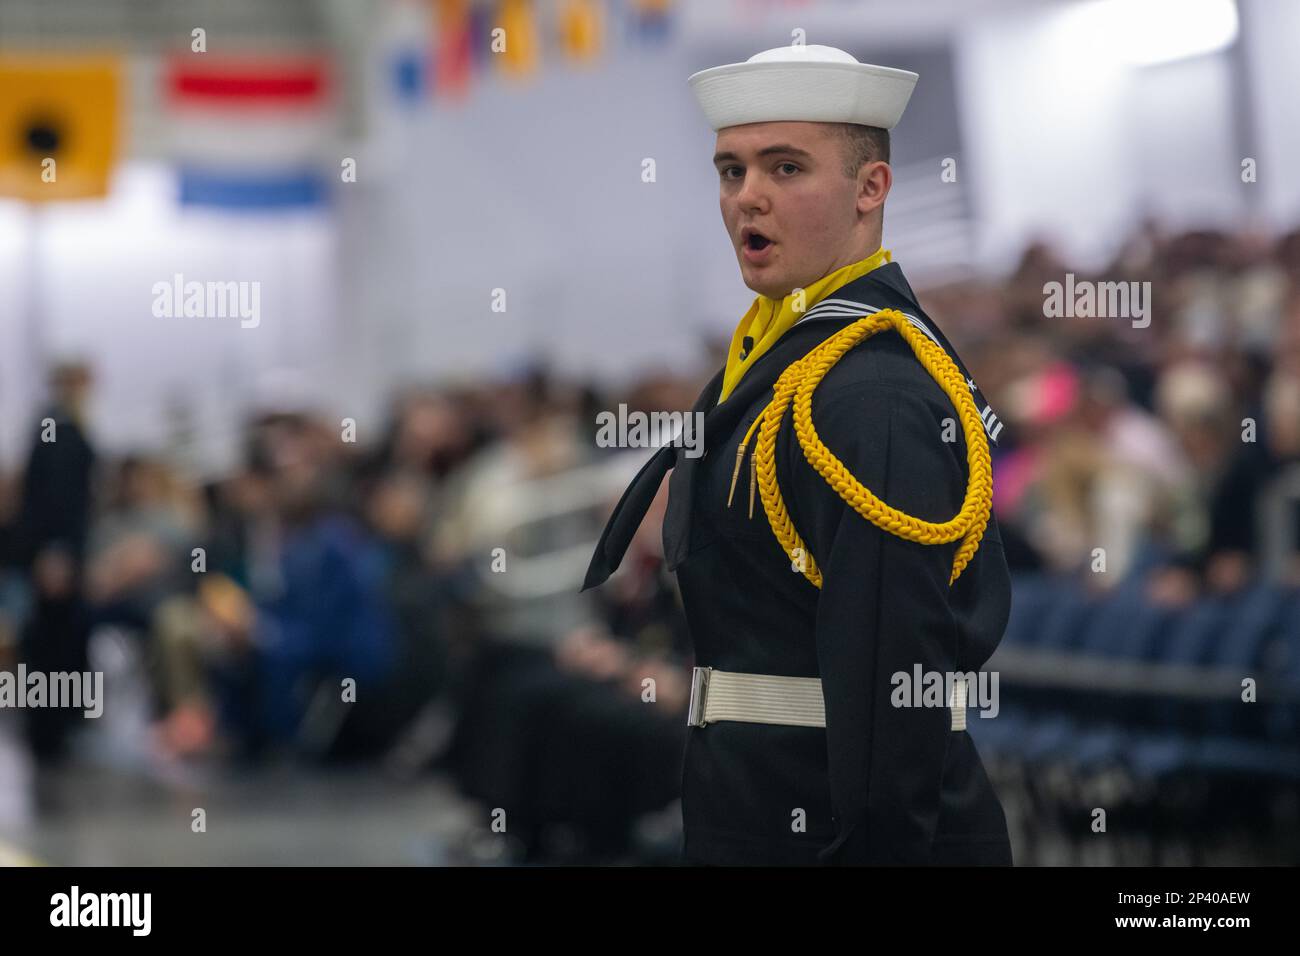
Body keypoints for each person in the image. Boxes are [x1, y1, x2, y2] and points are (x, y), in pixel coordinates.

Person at [583, 44, 1013, 865]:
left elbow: (894, 670)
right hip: (758, 804)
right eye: (731, 171)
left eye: (786, 168)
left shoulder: (866, 396)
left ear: (871, 188)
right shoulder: (780, 363)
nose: (749, 197)